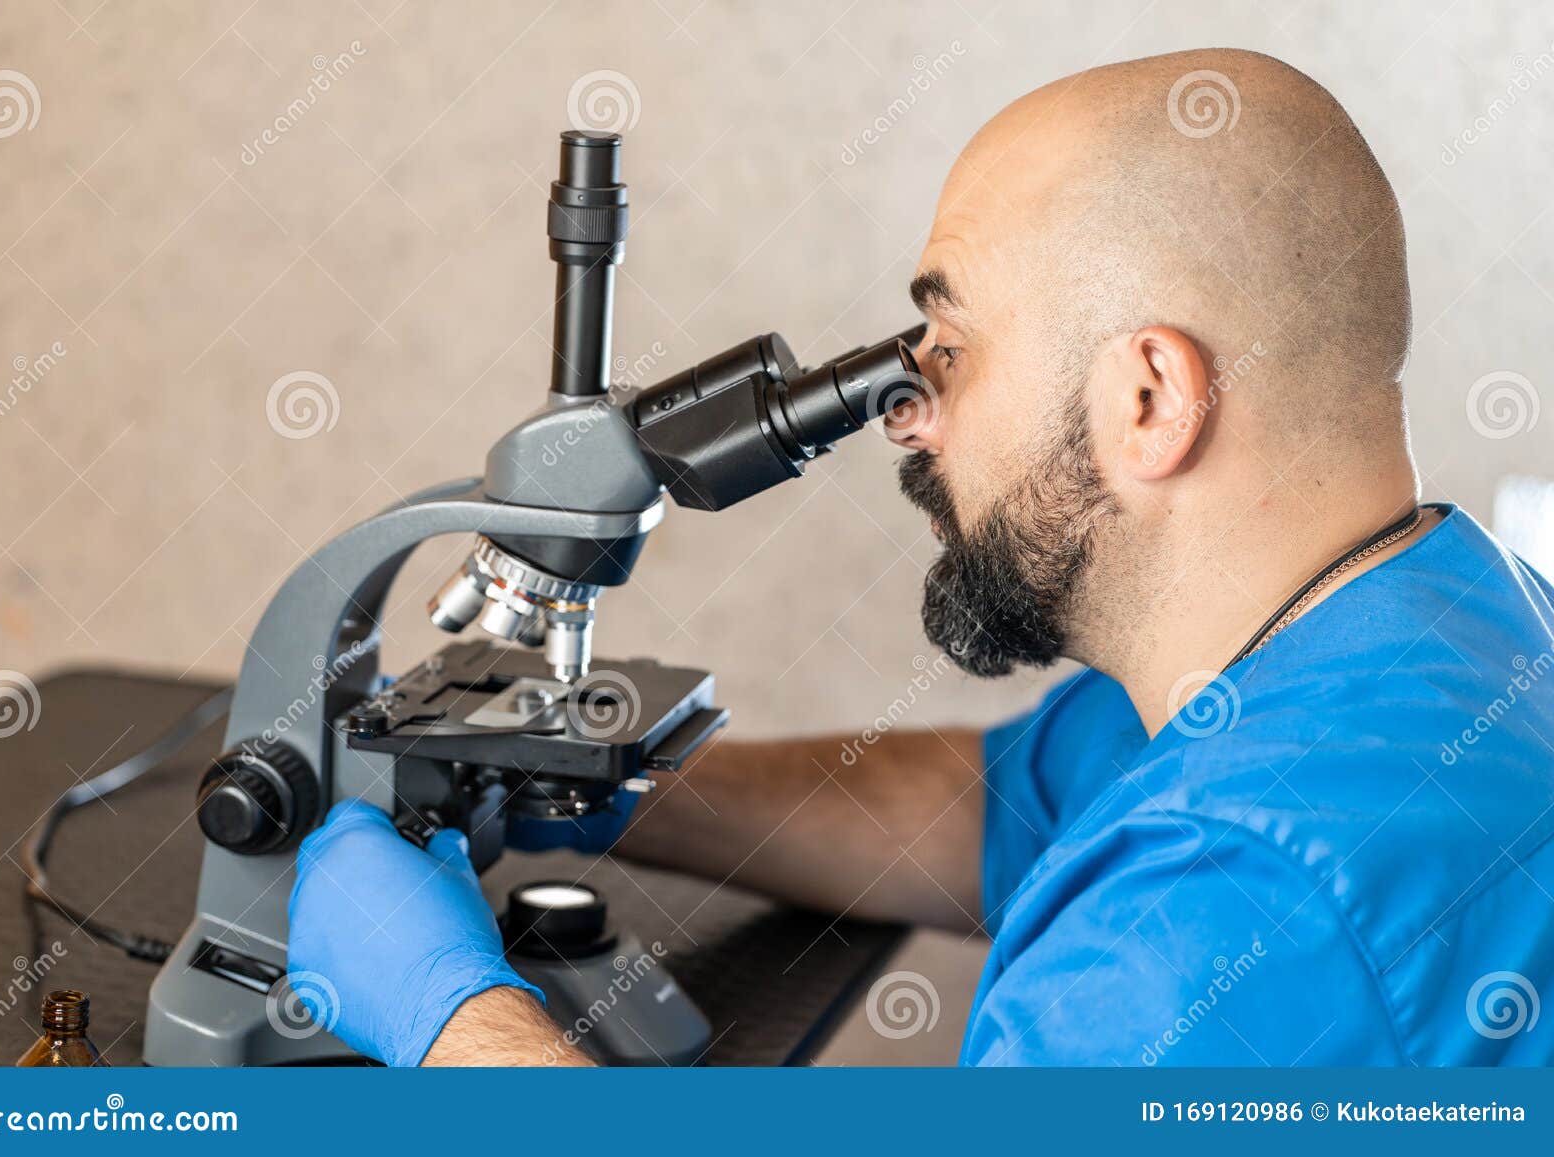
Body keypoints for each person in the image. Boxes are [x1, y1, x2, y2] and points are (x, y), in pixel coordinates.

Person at [287, 47, 1554, 1067]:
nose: (906, 412)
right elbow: (987, 813)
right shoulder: (1438, 623)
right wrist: (591, 788)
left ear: (1151, 398)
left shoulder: (1234, 911)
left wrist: (450, 1018)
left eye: (948, 346)